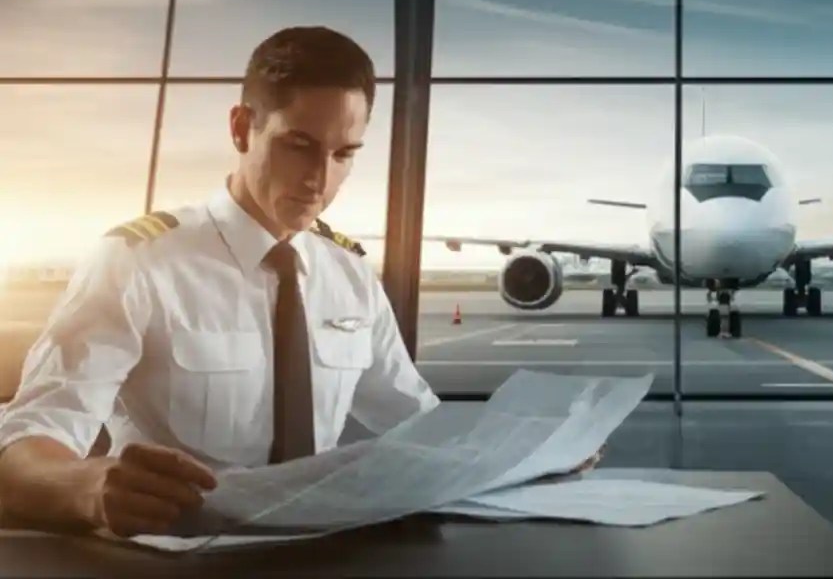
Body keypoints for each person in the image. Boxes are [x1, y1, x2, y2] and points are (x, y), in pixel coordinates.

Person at [0, 27, 599, 539]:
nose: (320, 180)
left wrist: (528, 455)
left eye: (344, 154)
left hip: (326, 549)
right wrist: (89, 485)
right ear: (242, 128)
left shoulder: (348, 276)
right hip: (185, 555)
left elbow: (418, 425)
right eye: (299, 146)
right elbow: (25, 443)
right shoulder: (139, 262)